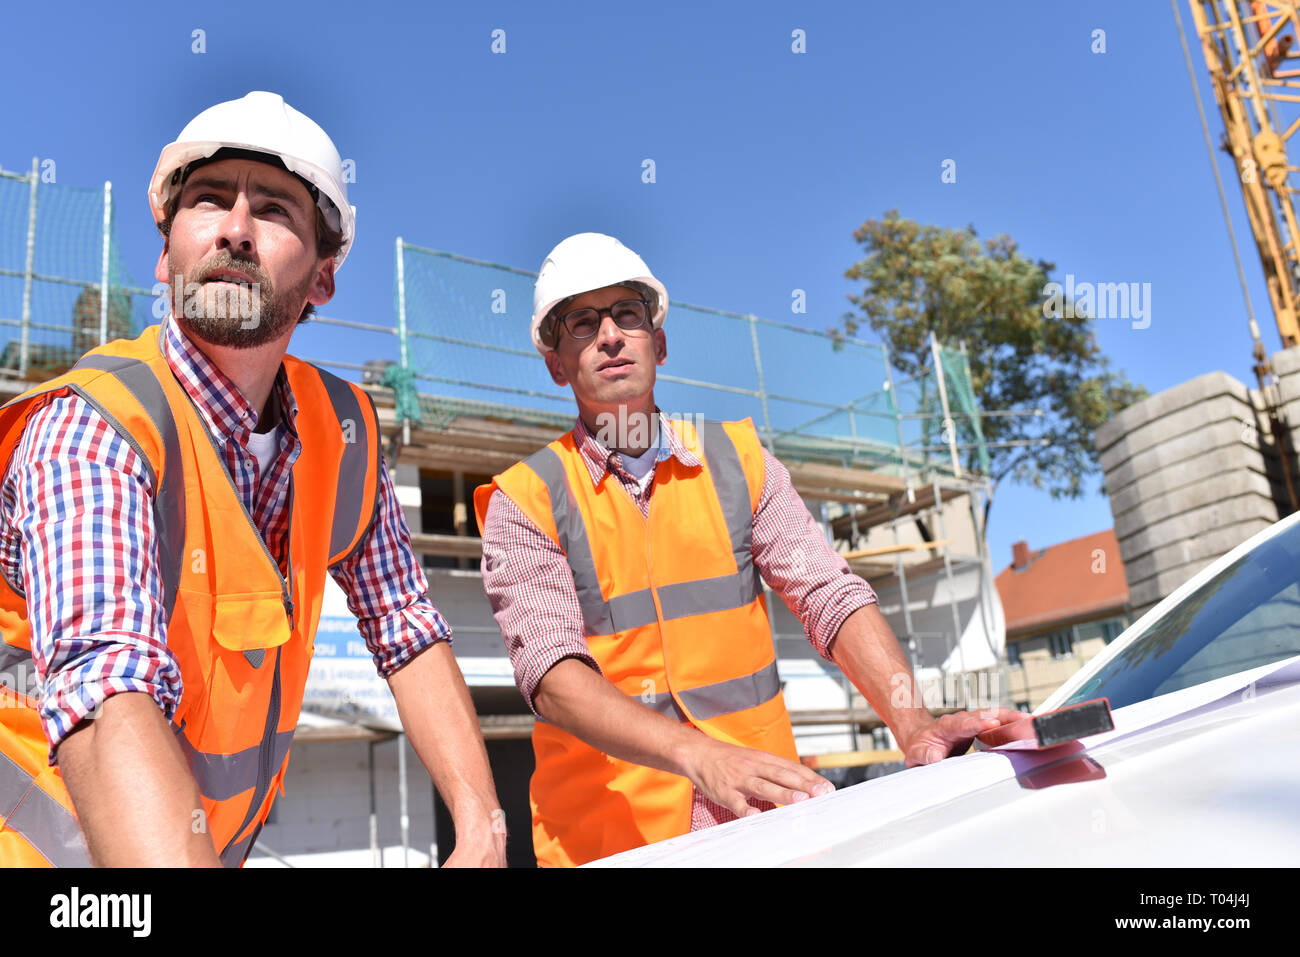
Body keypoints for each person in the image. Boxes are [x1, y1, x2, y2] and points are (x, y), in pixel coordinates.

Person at [0, 92, 506, 867]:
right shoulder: (96, 426)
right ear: (166, 253)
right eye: (207, 200)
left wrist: (480, 827)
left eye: (273, 211)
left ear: (324, 279)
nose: (236, 227)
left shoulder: (343, 434)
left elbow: (407, 630)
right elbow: (108, 690)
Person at [474, 231, 1023, 867]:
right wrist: (698, 756)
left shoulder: (738, 461)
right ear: (555, 364)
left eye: (627, 314)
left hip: (765, 827)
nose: (610, 335)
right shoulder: (526, 498)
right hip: (610, 847)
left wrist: (913, 724)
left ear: (660, 340)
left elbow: (828, 594)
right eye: (581, 323)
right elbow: (551, 674)